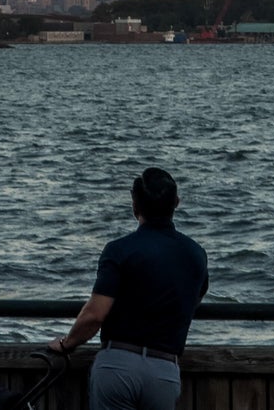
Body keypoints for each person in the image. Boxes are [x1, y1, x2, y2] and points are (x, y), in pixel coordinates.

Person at [48, 168, 208, 410]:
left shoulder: (119, 250)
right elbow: (193, 300)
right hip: (164, 369)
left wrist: (66, 343)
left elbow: (94, 315)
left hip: (118, 364)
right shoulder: (196, 254)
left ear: (135, 206)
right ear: (176, 203)